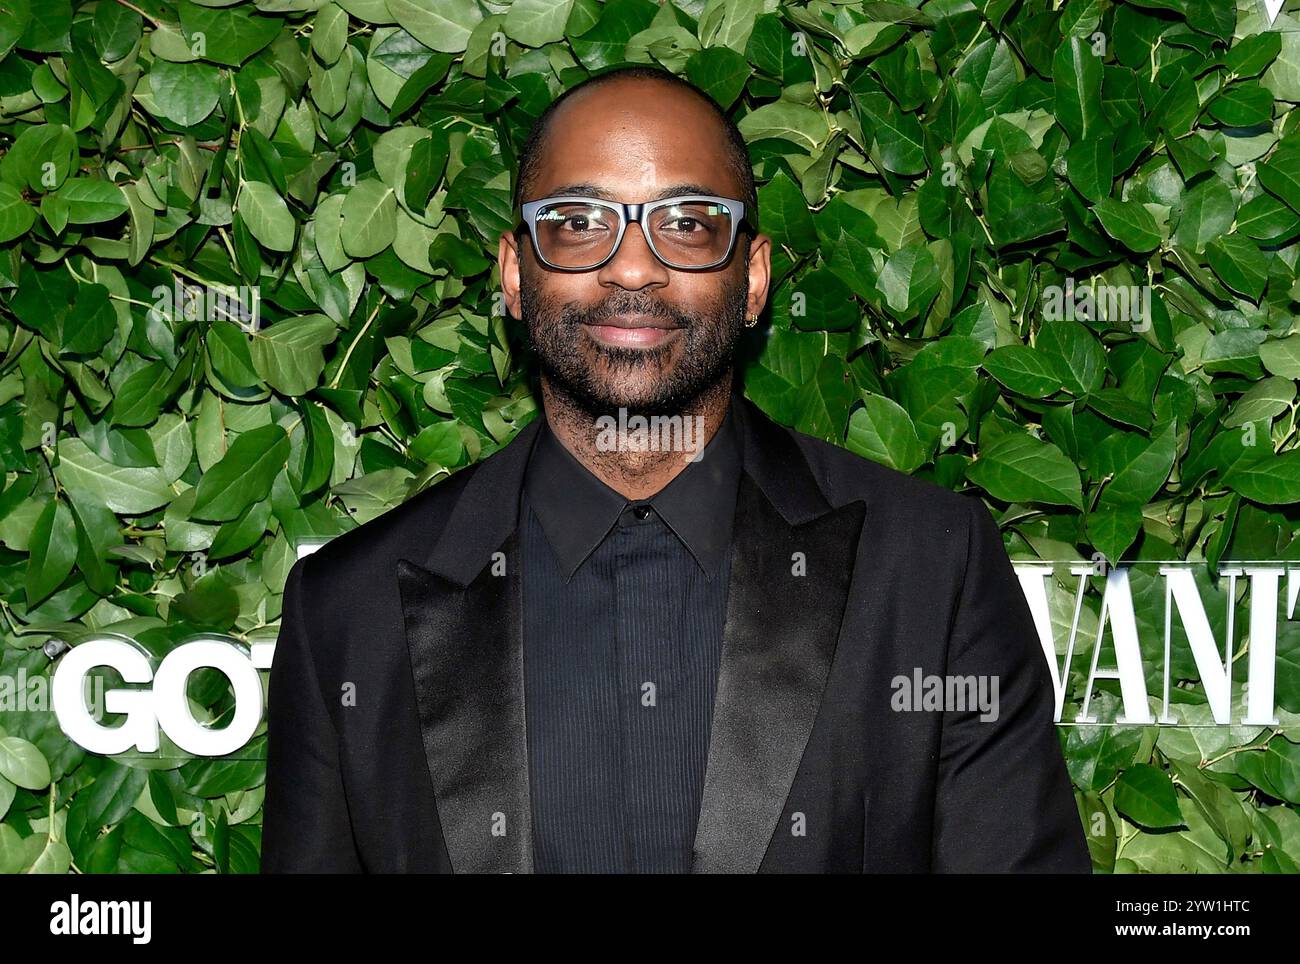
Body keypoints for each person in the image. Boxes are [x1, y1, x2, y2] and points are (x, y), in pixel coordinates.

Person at [261, 65, 1091, 874]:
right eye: (580, 222)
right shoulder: (347, 613)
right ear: (515, 274)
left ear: (755, 278)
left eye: (688, 223)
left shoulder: (929, 571)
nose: (632, 268)